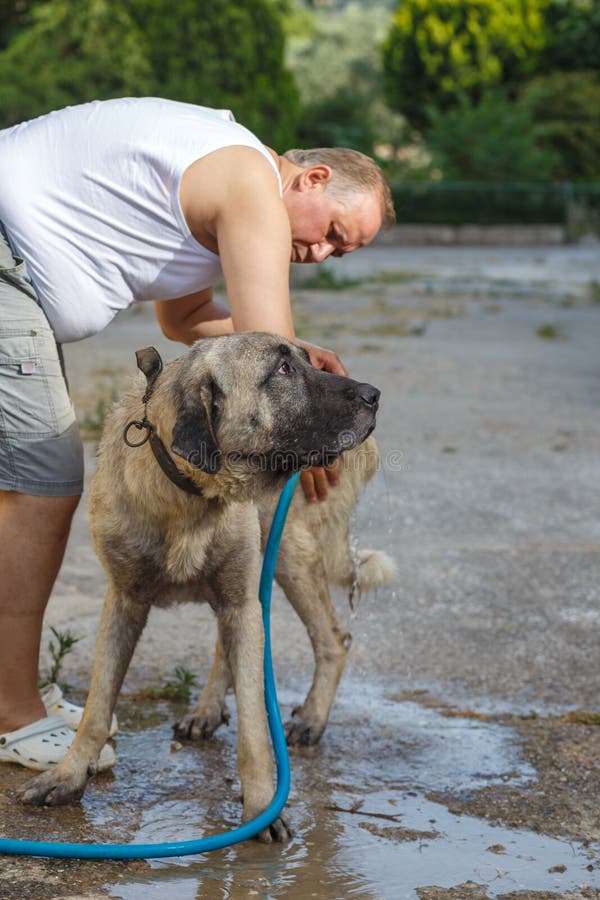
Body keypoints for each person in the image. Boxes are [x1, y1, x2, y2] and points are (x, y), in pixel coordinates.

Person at [0, 97, 394, 770]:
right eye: (331, 231)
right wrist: (318, 440)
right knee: (43, 484)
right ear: (314, 179)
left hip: (17, 273)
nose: (321, 254)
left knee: (26, 481)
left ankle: (11, 693)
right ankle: (12, 712)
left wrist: (299, 348)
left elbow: (182, 322)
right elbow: (269, 362)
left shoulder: (217, 184)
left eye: (339, 251)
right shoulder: (251, 183)